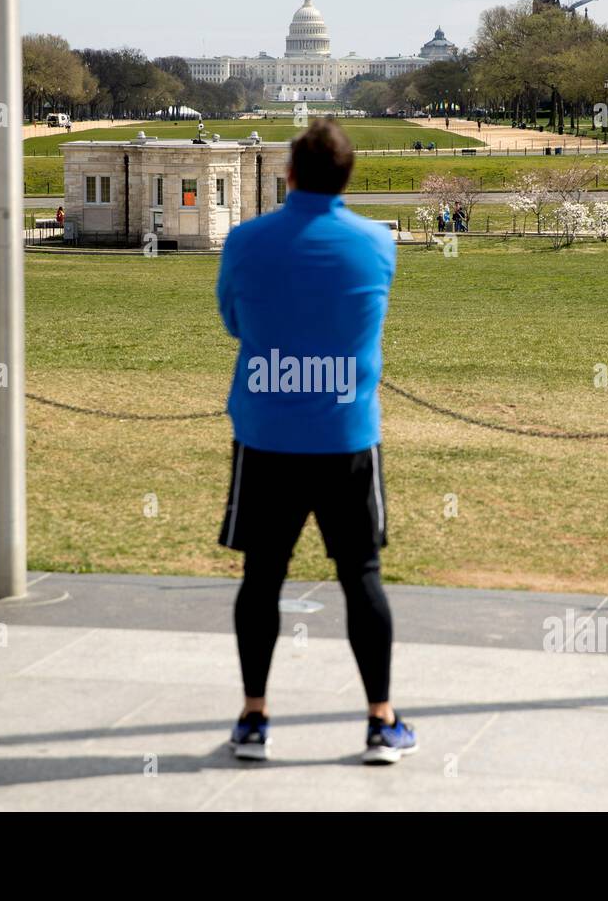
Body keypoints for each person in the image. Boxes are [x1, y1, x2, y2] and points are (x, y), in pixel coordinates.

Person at [216, 118, 416, 766]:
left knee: (261, 577)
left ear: (289, 175)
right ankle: (381, 721)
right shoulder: (377, 243)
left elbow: (233, 321)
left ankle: (253, 717)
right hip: (344, 433)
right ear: (347, 177)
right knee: (361, 576)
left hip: (267, 432)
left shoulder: (245, 242)